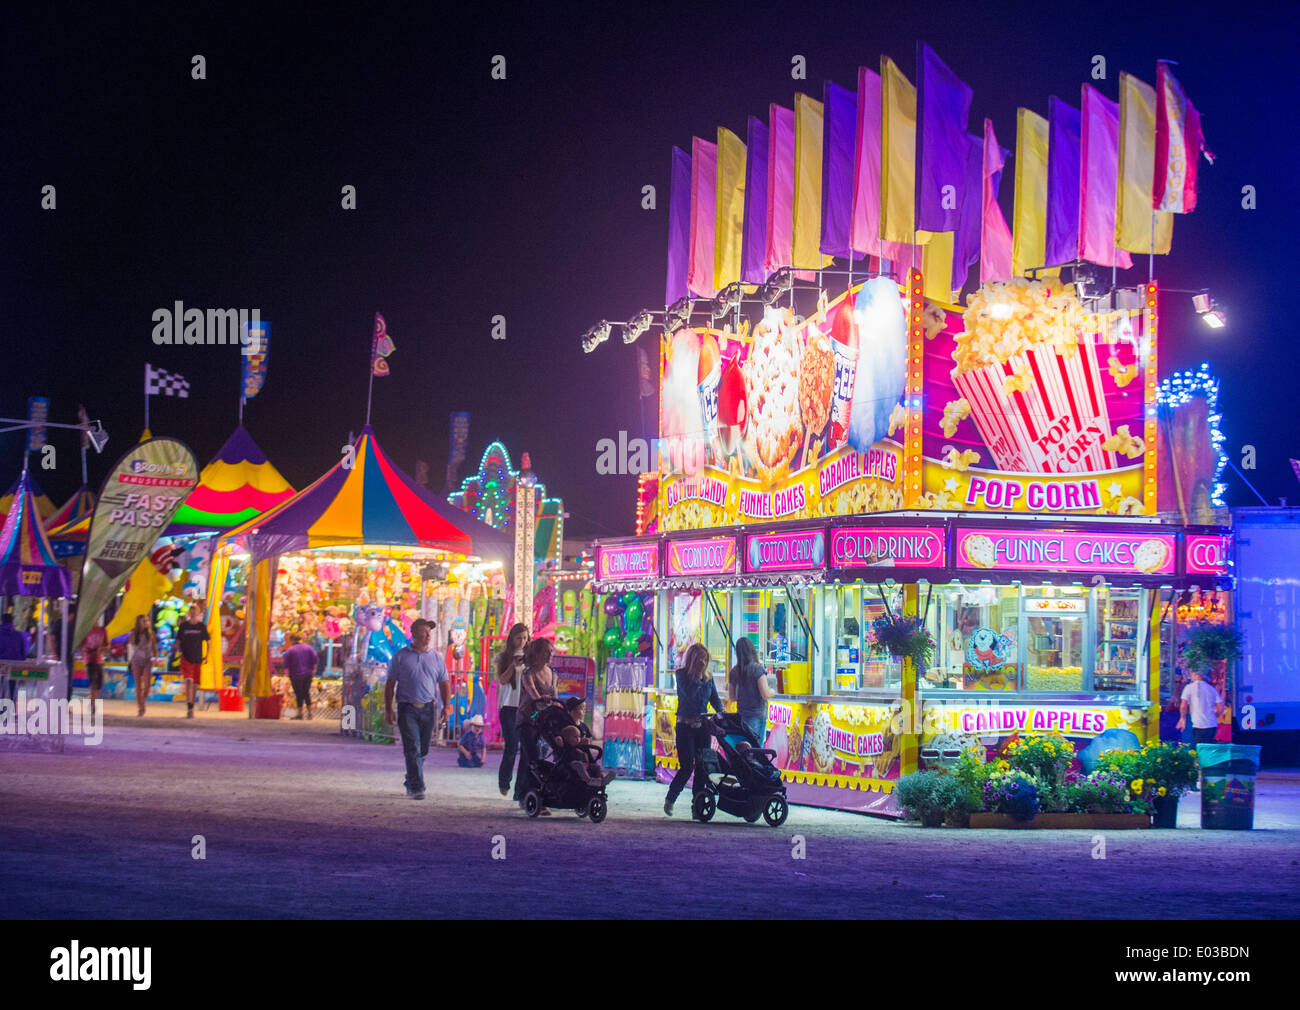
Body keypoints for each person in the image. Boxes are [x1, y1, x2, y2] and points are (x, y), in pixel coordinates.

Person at [384, 619, 451, 799]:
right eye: (424, 632)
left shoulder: (436, 657)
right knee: (412, 746)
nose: (428, 636)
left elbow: (444, 684)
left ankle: (411, 778)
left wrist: (447, 707)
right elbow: (390, 684)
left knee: (423, 749)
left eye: (429, 632)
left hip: (428, 708)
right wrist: (389, 709)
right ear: (413, 634)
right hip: (407, 708)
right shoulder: (400, 657)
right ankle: (416, 787)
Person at [664, 643, 723, 817]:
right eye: (700, 660)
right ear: (692, 660)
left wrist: (722, 712)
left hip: (703, 726)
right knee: (687, 766)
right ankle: (671, 798)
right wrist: (697, 678)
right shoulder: (681, 675)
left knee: (702, 767)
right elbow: (688, 693)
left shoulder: (708, 678)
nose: (703, 663)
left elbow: (714, 699)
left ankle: (697, 806)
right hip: (685, 726)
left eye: (705, 659)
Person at [514, 636, 560, 813]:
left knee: (535, 758)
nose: (550, 655)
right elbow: (533, 692)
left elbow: (555, 698)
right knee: (531, 757)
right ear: (538, 653)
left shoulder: (553, 674)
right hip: (527, 718)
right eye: (546, 651)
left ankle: (525, 793)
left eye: (551, 651)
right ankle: (529, 795)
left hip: (544, 720)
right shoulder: (528, 673)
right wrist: (540, 700)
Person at [494, 623, 529, 796]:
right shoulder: (504, 657)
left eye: (524, 637)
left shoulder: (531, 657)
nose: (522, 641)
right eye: (518, 637)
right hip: (508, 706)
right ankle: (504, 782)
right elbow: (502, 680)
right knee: (511, 747)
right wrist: (513, 666)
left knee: (527, 750)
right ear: (511, 639)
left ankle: (520, 789)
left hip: (526, 707)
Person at [728, 636, 774, 746]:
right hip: (756, 717)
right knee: (756, 752)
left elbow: (732, 697)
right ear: (752, 651)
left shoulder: (734, 671)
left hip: (741, 717)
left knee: (744, 751)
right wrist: (773, 691)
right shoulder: (757, 669)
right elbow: (765, 694)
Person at [173, 603, 210, 719]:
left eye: (195, 610)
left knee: (194, 684)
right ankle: (189, 706)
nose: (193, 612)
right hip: (186, 657)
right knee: (189, 680)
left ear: (198, 612)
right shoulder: (184, 626)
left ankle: (191, 705)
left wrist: (206, 655)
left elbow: (207, 641)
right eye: (191, 610)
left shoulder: (201, 626)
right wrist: (180, 652)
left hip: (197, 657)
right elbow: (177, 640)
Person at [1176, 668, 1224, 744]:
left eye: (1191, 674)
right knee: (1209, 748)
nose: (1191, 676)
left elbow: (1183, 705)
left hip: (1199, 725)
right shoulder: (1211, 689)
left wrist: (1182, 717)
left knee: (1200, 750)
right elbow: (1221, 707)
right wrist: (1216, 715)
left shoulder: (1189, 688)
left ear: (1195, 675)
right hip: (1212, 725)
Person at [282, 632, 319, 720]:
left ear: (291, 640)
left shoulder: (290, 650)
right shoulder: (308, 648)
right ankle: (310, 713)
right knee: (306, 693)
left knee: (299, 694)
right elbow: (315, 660)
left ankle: (300, 713)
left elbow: (286, 664)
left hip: (295, 674)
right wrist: (313, 671)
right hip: (308, 674)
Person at [128, 615, 156, 717]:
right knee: (138, 686)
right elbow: (130, 647)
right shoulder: (133, 633)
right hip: (136, 660)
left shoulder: (150, 633)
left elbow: (154, 647)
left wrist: (155, 658)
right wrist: (130, 661)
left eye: (147, 621)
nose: (146, 623)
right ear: (139, 622)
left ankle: (142, 702)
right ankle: (141, 707)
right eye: (144, 621)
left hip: (147, 660)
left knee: (147, 686)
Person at [80, 621, 108, 718]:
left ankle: (92, 699)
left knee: (99, 684)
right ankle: (92, 705)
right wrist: (84, 651)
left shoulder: (102, 630)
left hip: (99, 659)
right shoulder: (85, 630)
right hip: (89, 659)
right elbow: (80, 645)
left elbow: (107, 645)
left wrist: (102, 648)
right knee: (93, 683)